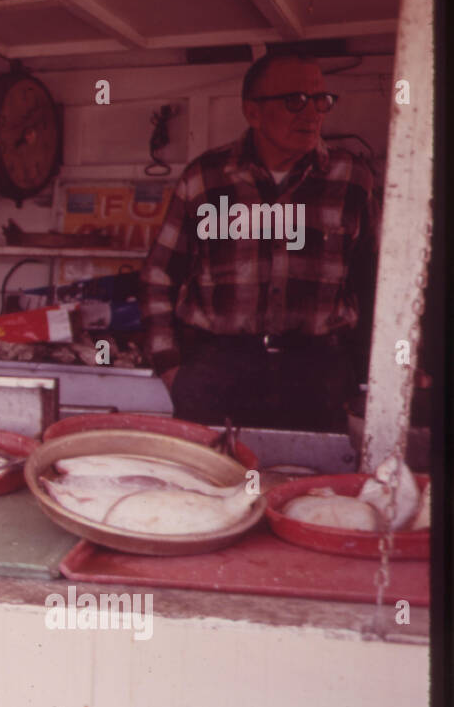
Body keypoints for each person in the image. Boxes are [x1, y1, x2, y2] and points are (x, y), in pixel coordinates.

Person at [140, 53, 377, 431]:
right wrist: (170, 366)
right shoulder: (204, 179)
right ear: (252, 112)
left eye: (321, 101)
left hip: (317, 375)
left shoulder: (353, 178)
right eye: (295, 101)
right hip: (218, 369)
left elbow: (376, 281)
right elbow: (158, 275)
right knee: (210, 483)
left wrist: (370, 373)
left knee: (313, 485)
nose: (313, 114)